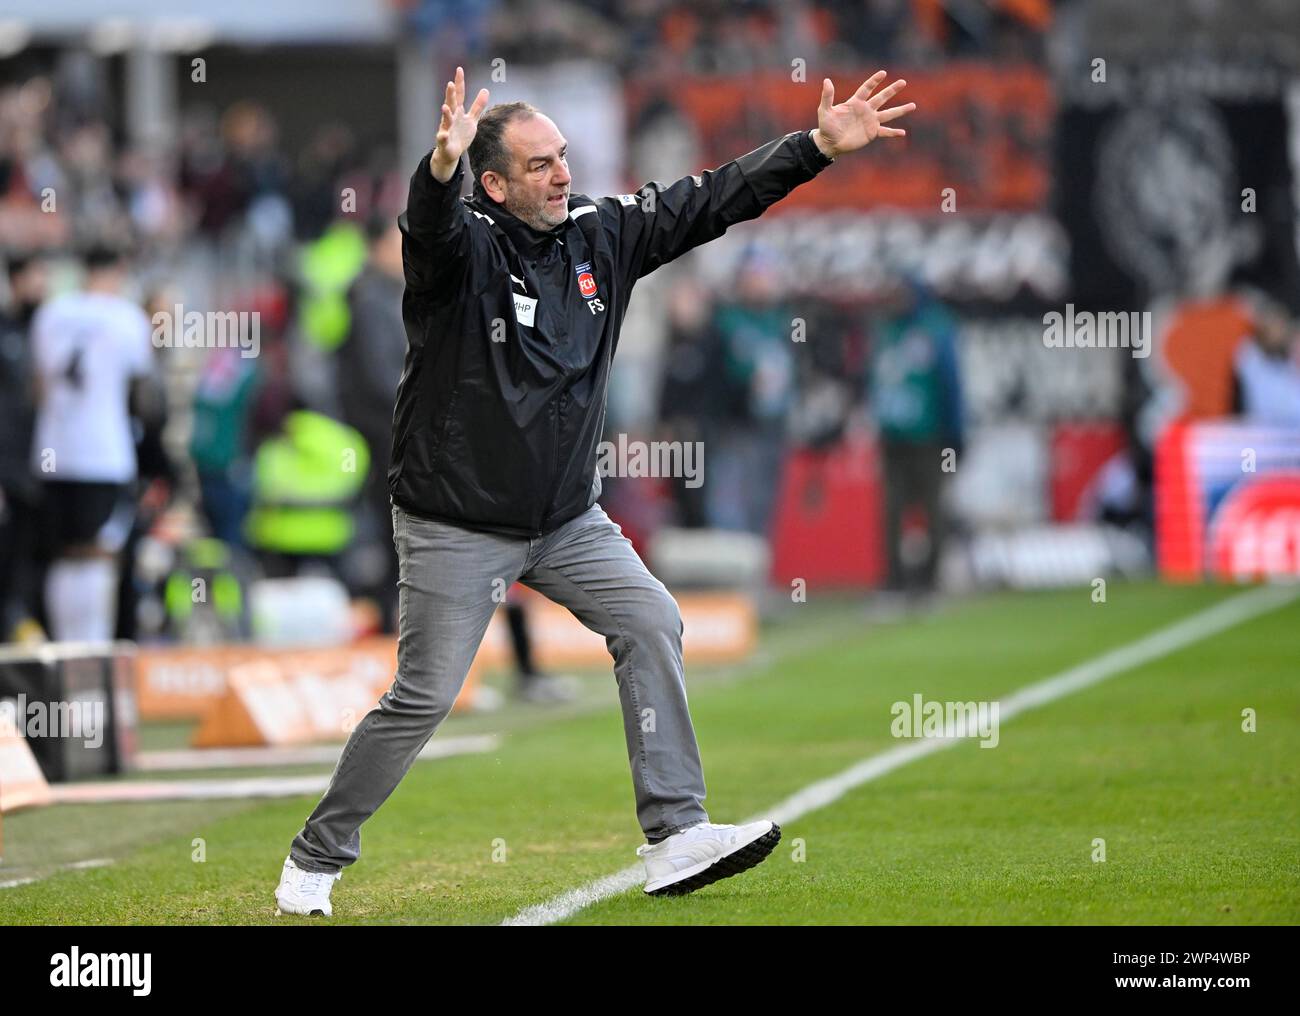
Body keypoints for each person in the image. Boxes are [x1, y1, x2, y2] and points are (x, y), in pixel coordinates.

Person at [275, 65, 915, 915]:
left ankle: (677, 835)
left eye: (563, 157)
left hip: (567, 519)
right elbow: (426, 232)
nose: (563, 174)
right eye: (539, 165)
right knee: (423, 695)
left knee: (651, 619)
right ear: (492, 184)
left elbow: (709, 199)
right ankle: (315, 858)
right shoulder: (461, 250)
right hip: (456, 522)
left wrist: (814, 148)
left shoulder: (601, 235)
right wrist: (438, 173)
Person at [29, 245, 155, 641]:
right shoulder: (126, 317)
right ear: (117, 270)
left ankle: (61, 651)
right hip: (102, 455)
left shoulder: (51, 314)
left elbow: (37, 387)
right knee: (98, 557)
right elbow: (142, 384)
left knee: (62, 555)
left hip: (53, 452)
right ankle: (92, 651)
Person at [867, 275, 964, 609]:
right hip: (893, 436)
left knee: (932, 508)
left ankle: (930, 581)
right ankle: (895, 581)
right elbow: (875, 381)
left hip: (929, 436)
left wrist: (955, 433)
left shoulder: (936, 328)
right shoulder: (886, 330)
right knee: (892, 510)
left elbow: (951, 384)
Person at [0, 254, 48, 641]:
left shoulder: (51, 327)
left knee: (38, 552)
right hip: (10, 464)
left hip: (46, 461)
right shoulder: (5, 331)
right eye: (35, 274)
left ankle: (28, 623)